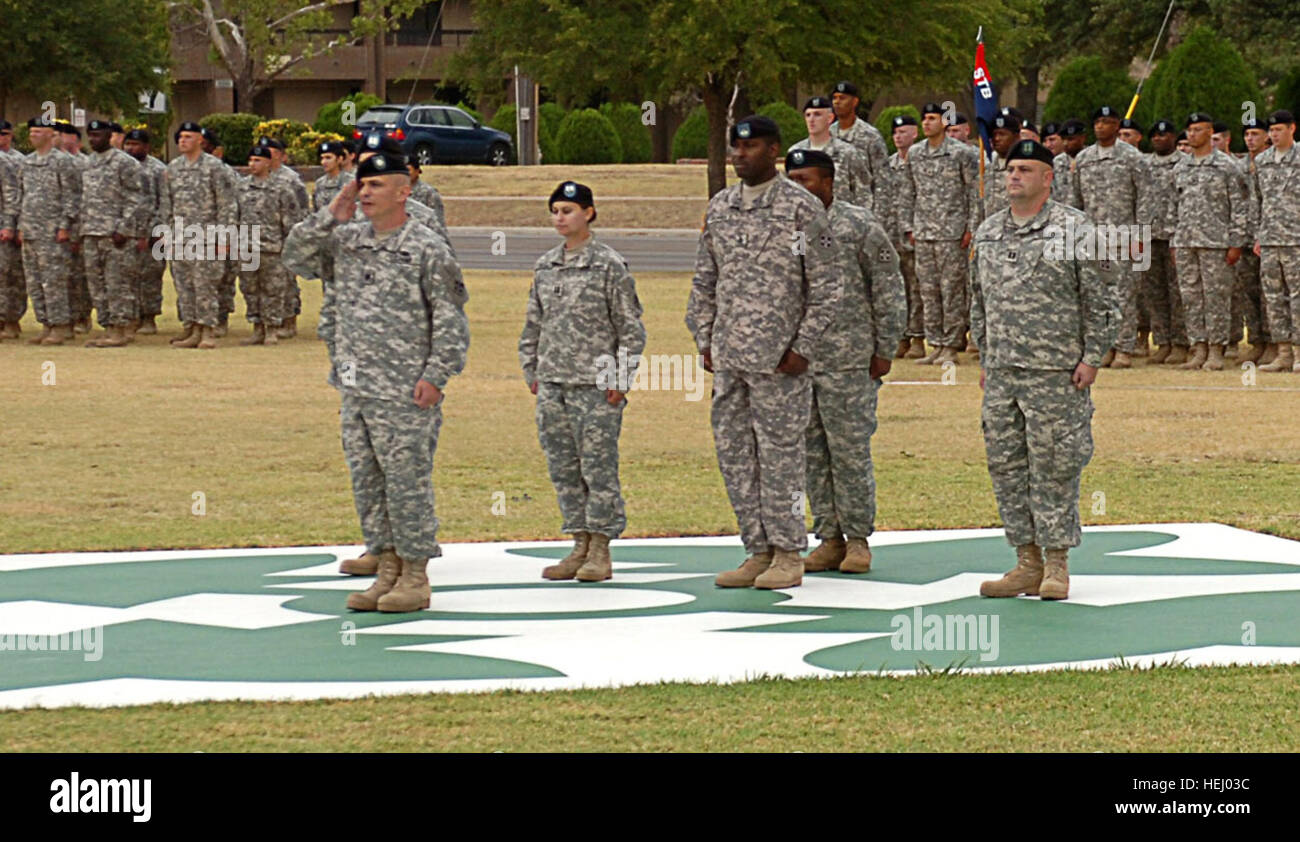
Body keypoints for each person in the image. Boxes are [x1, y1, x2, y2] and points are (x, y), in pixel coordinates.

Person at [281, 148, 470, 613]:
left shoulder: (426, 247)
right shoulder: (347, 240)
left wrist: (436, 374)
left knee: (406, 481)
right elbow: (294, 257)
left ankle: (414, 575)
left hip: (406, 389)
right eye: (361, 184)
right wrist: (331, 213)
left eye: (376, 185)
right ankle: (385, 568)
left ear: (404, 192)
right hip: (357, 384)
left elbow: (450, 317)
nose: (365, 191)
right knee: (368, 481)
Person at [685, 115, 841, 591]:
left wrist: (804, 347)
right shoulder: (722, 206)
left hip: (780, 362)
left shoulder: (802, 208)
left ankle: (789, 552)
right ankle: (757, 549)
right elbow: (705, 279)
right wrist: (705, 337)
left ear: (773, 151)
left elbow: (829, 284)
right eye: (735, 147)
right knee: (735, 456)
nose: (739, 155)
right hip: (731, 357)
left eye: (749, 148)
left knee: (781, 459)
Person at [972, 139, 1118, 601]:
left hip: (1055, 372)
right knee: (1007, 466)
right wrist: (984, 354)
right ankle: (1026, 561)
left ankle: (1057, 562)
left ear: (1048, 178)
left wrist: (1093, 357)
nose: (1014, 176)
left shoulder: (1074, 229)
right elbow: (978, 300)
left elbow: (1101, 299)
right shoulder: (989, 231)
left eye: (1025, 169)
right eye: (1010, 168)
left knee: (1055, 464)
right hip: (1002, 371)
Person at [784, 149, 905, 575]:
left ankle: (857, 539)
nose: (799, 187)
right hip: (798, 362)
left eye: (807, 179)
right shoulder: (781, 228)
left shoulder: (859, 224)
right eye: (792, 178)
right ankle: (829, 537)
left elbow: (888, 286)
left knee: (849, 451)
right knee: (811, 453)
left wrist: (885, 347)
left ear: (829, 182)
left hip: (849, 360)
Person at [519, 182, 646, 582]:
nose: (560, 217)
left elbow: (630, 328)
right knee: (564, 467)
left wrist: (621, 378)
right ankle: (578, 543)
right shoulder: (546, 266)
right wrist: (532, 370)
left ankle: (601, 548)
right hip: (553, 383)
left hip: (595, 386)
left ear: (589, 213)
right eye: (555, 210)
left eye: (568, 210)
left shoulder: (608, 265)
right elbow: (533, 325)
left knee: (598, 468)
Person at [1071, 105, 1152, 368]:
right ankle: (1103, 346)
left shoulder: (1133, 158)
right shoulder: (1083, 159)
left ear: (1118, 126)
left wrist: (1140, 236)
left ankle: (1124, 347)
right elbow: (1075, 201)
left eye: (1106, 122)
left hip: (1124, 237)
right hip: (1093, 239)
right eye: (1097, 122)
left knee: (1124, 296)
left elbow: (1145, 199)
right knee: (1096, 297)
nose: (1100, 127)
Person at [899, 102, 980, 365]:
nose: (927, 123)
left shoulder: (960, 153)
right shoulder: (916, 153)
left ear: (944, 123)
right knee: (928, 290)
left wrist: (971, 227)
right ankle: (934, 342)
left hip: (952, 232)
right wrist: (908, 226)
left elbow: (973, 193)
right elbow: (908, 191)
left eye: (932, 118)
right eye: (924, 118)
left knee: (952, 289)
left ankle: (952, 344)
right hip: (923, 231)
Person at [1170, 112, 1249, 370]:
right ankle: (1198, 348)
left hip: (1217, 242)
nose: (1192, 134)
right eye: (1189, 130)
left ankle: (1217, 349)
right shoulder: (1180, 167)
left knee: (1216, 296)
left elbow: (1239, 206)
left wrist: (1236, 241)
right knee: (1191, 297)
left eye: (1198, 130)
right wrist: (1174, 239)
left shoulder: (1226, 166)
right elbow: (1173, 206)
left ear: (1209, 132)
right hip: (1186, 242)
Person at [1, 115, 81, 345]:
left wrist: (65, 226)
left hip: (53, 231)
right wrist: (19, 226)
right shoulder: (27, 162)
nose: (33, 135)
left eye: (38, 131)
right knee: (35, 282)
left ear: (51, 134)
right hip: (31, 230)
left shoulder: (62, 162)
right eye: (31, 131)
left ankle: (62, 326)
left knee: (54, 280)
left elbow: (71, 196)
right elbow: (20, 196)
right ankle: (46, 324)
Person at [158, 121, 238, 349]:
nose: (183, 141)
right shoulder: (172, 168)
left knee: (206, 286)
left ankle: (208, 331)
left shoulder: (214, 167)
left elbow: (227, 205)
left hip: (207, 236)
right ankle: (191, 328)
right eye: (180, 137)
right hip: (180, 237)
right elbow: (167, 204)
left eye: (188, 137)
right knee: (185, 286)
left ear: (200, 140)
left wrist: (224, 238)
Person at [79, 119, 146, 348]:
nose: (93, 139)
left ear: (110, 136)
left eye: (98, 135)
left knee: (117, 283)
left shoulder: (124, 163)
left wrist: (124, 228)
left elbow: (135, 198)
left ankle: (121, 328)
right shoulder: (88, 163)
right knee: (97, 285)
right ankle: (108, 327)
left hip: (115, 234)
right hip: (91, 232)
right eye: (91, 135)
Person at [236, 145, 300, 346]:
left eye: (257, 160)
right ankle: (257, 327)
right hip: (247, 247)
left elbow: (291, 219)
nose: (252, 165)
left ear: (267, 162)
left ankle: (272, 328)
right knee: (249, 288)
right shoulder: (241, 187)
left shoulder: (281, 188)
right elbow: (234, 216)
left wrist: (289, 247)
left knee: (273, 289)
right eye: (250, 160)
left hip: (272, 247)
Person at [1253, 110, 1300, 372]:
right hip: (1270, 238)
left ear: (1292, 129)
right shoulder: (1262, 161)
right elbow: (1257, 201)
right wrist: (1257, 235)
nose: (1274, 134)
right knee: (1273, 296)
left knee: (1298, 295)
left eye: (1279, 129)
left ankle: (1298, 352)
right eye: (1271, 131)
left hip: (1296, 238)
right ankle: (1282, 351)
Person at [1144, 119, 1190, 364]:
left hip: (1175, 236)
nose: (1159, 139)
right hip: (1148, 236)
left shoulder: (1184, 164)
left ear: (1173, 138)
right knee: (1154, 293)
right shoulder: (1143, 165)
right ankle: (1162, 342)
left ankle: (1181, 343)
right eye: (1155, 136)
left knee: (1177, 292)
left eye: (1164, 136)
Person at [885, 114, 925, 359]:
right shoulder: (887, 165)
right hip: (890, 234)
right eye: (895, 132)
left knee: (916, 287)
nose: (898, 136)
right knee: (895, 288)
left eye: (904, 132)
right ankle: (900, 337)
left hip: (916, 232)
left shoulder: (922, 161)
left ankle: (918, 337)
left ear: (915, 134)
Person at [789, 97, 871, 208]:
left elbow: (863, 192)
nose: (811, 119)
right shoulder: (796, 152)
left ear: (830, 118)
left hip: (841, 218)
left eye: (817, 114)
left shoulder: (846, 152)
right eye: (808, 115)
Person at [123, 128, 167, 336]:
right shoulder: (121, 167)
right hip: (126, 232)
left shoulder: (158, 170)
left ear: (146, 147)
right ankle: (130, 317)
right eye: (128, 144)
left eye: (136, 144)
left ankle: (149, 318)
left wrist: (154, 232)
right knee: (127, 277)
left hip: (153, 234)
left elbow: (164, 202)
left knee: (150, 276)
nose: (131, 148)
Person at [829, 81, 888, 207]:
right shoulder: (828, 134)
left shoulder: (870, 136)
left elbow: (882, 180)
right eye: (834, 98)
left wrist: (877, 217)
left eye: (842, 98)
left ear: (855, 102)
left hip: (861, 210)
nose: (837, 102)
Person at [0, 120, 25, 339]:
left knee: (9, 275)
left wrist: (11, 225)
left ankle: (10, 319)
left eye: (5, 134)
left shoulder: (16, 161)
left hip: (5, 226)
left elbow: (12, 197)